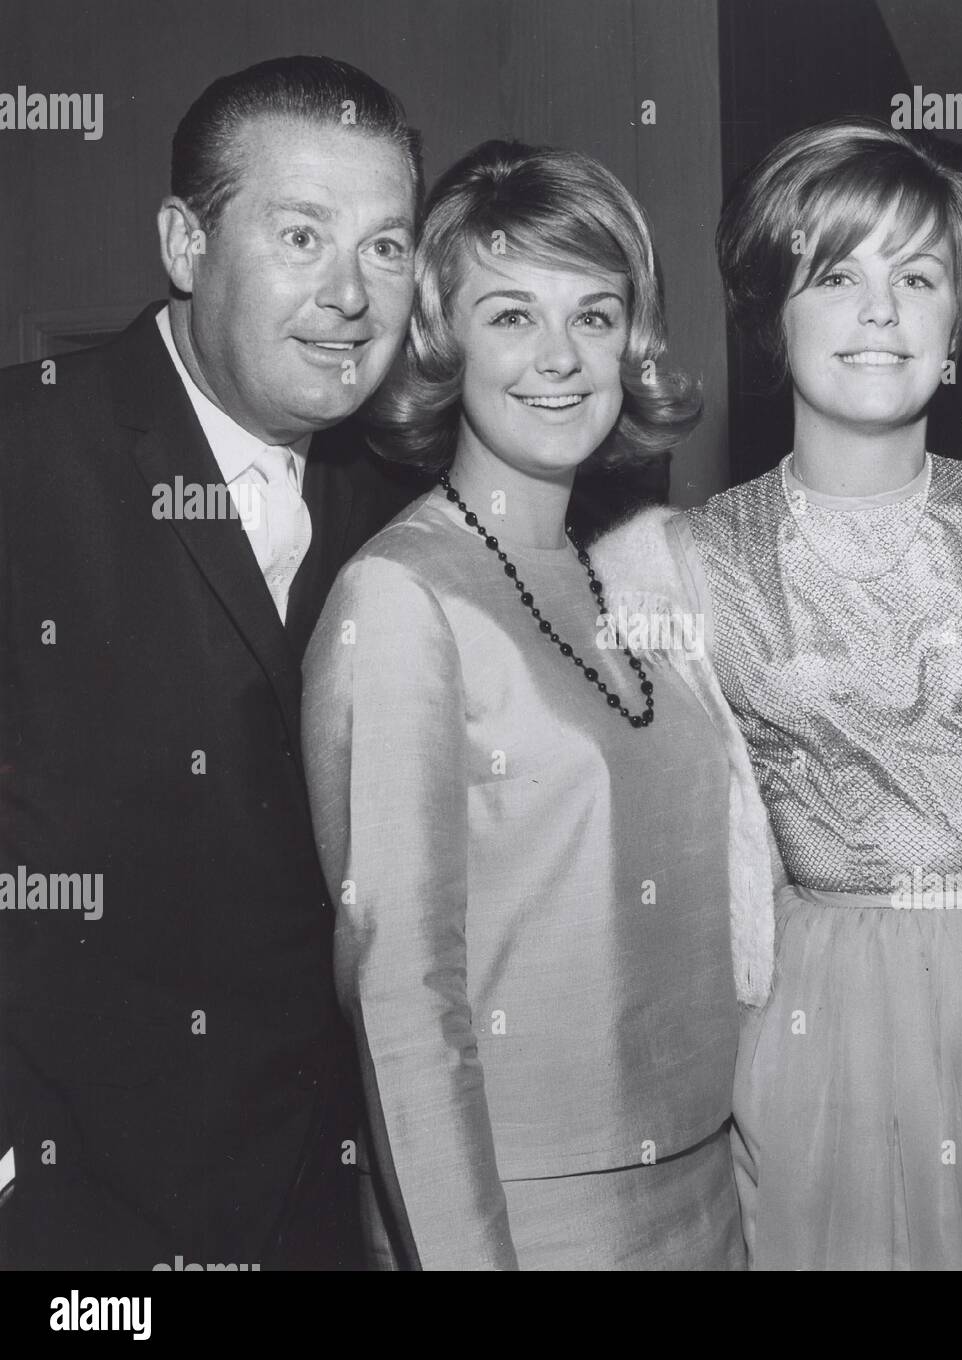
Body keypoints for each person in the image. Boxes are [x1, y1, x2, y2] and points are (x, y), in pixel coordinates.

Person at [592, 118, 962, 1269]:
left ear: (955, 322)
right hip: (822, 1025)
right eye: (837, 274)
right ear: (774, 310)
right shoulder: (678, 566)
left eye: (915, 278)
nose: (878, 310)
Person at [0, 55, 430, 1270]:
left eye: (387, 247)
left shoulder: (406, 505)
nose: (351, 295)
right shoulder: (23, 449)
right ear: (185, 245)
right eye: (302, 235)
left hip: (325, 1214)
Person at [302, 140, 747, 1270]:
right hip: (530, 1216)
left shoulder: (627, 574)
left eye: (594, 315)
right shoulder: (397, 596)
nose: (560, 357)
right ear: (441, 338)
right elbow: (403, 1002)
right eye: (511, 316)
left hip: (708, 1187)